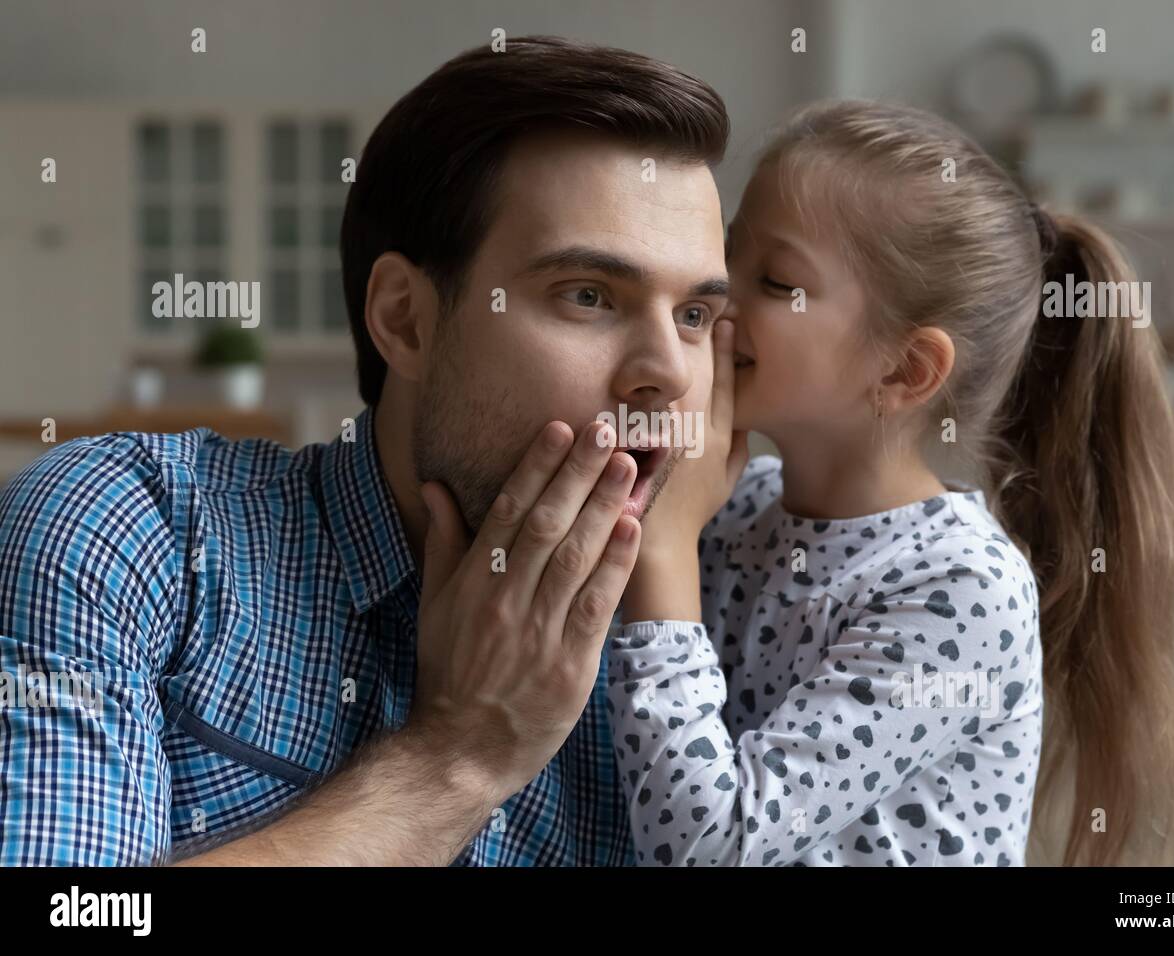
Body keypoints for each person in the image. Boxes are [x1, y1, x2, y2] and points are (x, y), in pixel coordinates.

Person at [0, 36, 730, 866]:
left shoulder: (736, 608)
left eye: (696, 316)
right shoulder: (135, 529)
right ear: (405, 320)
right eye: (589, 296)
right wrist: (455, 758)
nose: (668, 373)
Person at [607, 100, 1174, 866]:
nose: (719, 297)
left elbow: (711, 847)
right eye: (730, 253)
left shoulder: (961, 586)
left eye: (777, 280)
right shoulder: (738, 504)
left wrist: (663, 553)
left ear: (904, 369)